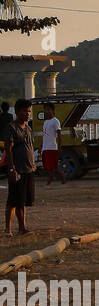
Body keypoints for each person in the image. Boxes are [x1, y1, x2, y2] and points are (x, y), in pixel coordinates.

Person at [3, 99, 36, 235]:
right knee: (13, 200)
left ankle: (22, 227)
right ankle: (8, 229)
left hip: (29, 169)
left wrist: (33, 165)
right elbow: (8, 150)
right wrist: (12, 169)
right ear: (17, 112)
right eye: (24, 111)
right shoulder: (11, 128)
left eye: (29, 111)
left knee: (22, 201)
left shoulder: (28, 128)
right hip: (17, 170)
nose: (27, 114)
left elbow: (29, 147)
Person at [40, 101, 65, 186]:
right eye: (45, 110)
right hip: (45, 147)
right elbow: (44, 135)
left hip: (52, 147)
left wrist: (60, 146)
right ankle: (56, 177)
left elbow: (59, 135)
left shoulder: (55, 121)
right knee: (48, 166)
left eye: (48, 109)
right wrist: (41, 146)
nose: (46, 111)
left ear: (52, 110)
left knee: (53, 165)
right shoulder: (45, 122)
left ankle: (54, 179)